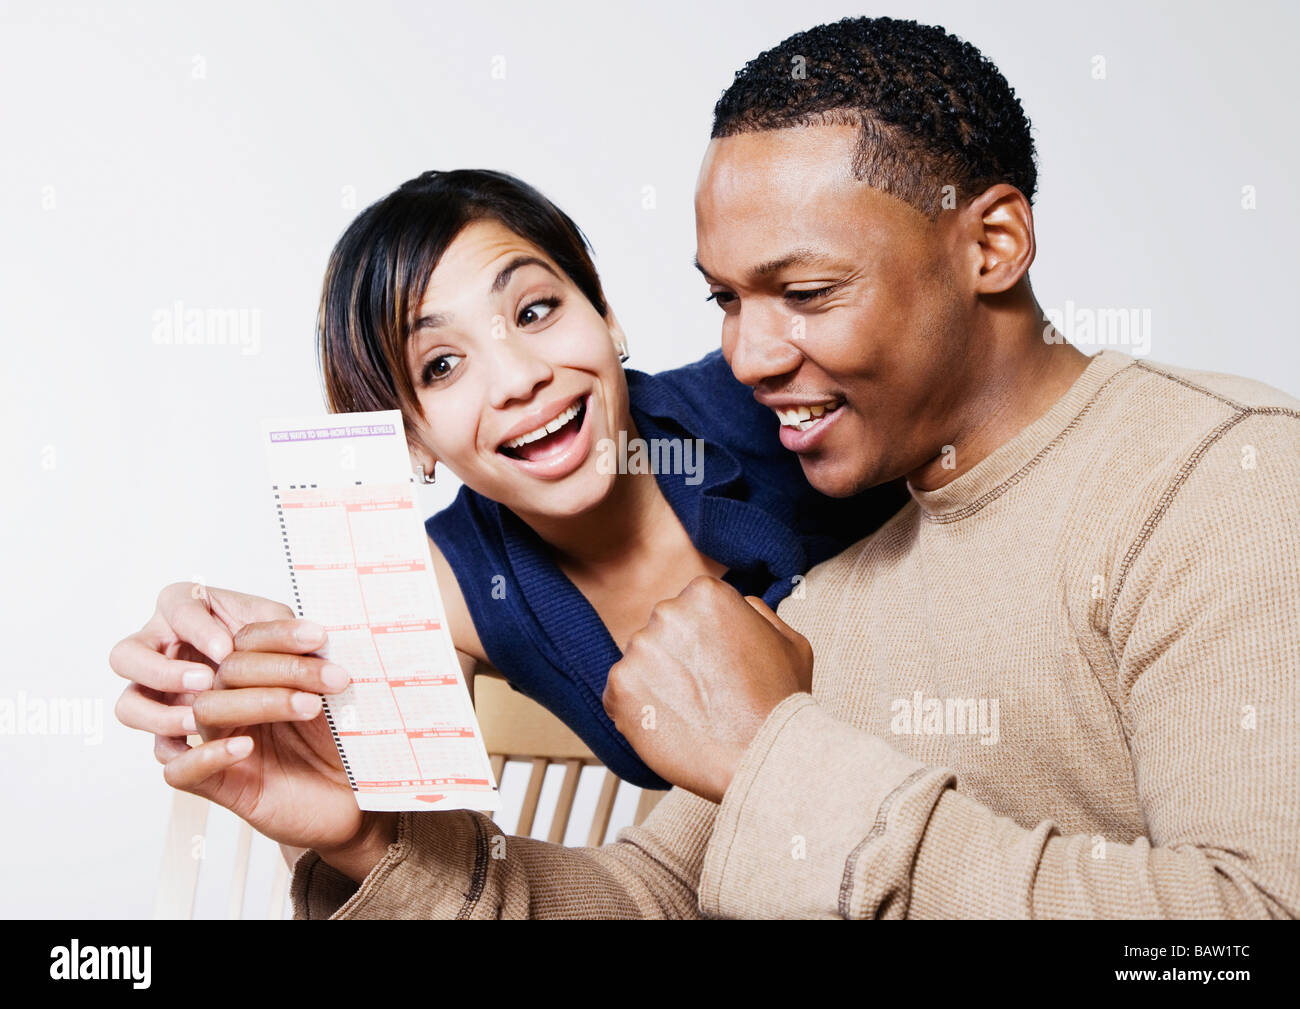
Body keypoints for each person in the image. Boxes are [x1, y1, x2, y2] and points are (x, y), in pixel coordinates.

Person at [133, 16, 1300, 918]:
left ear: (989, 243)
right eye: (726, 300)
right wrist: (369, 839)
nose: (747, 354)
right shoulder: (833, 583)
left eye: (803, 293)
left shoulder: (1221, 483)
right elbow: (656, 900)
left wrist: (774, 754)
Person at [109, 167, 907, 803]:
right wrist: (238, 667)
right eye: (443, 365)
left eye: (533, 311)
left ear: (604, 312)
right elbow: (388, 839)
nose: (520, 378)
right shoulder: (443, 584)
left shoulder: (765, 395)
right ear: (411, 437)